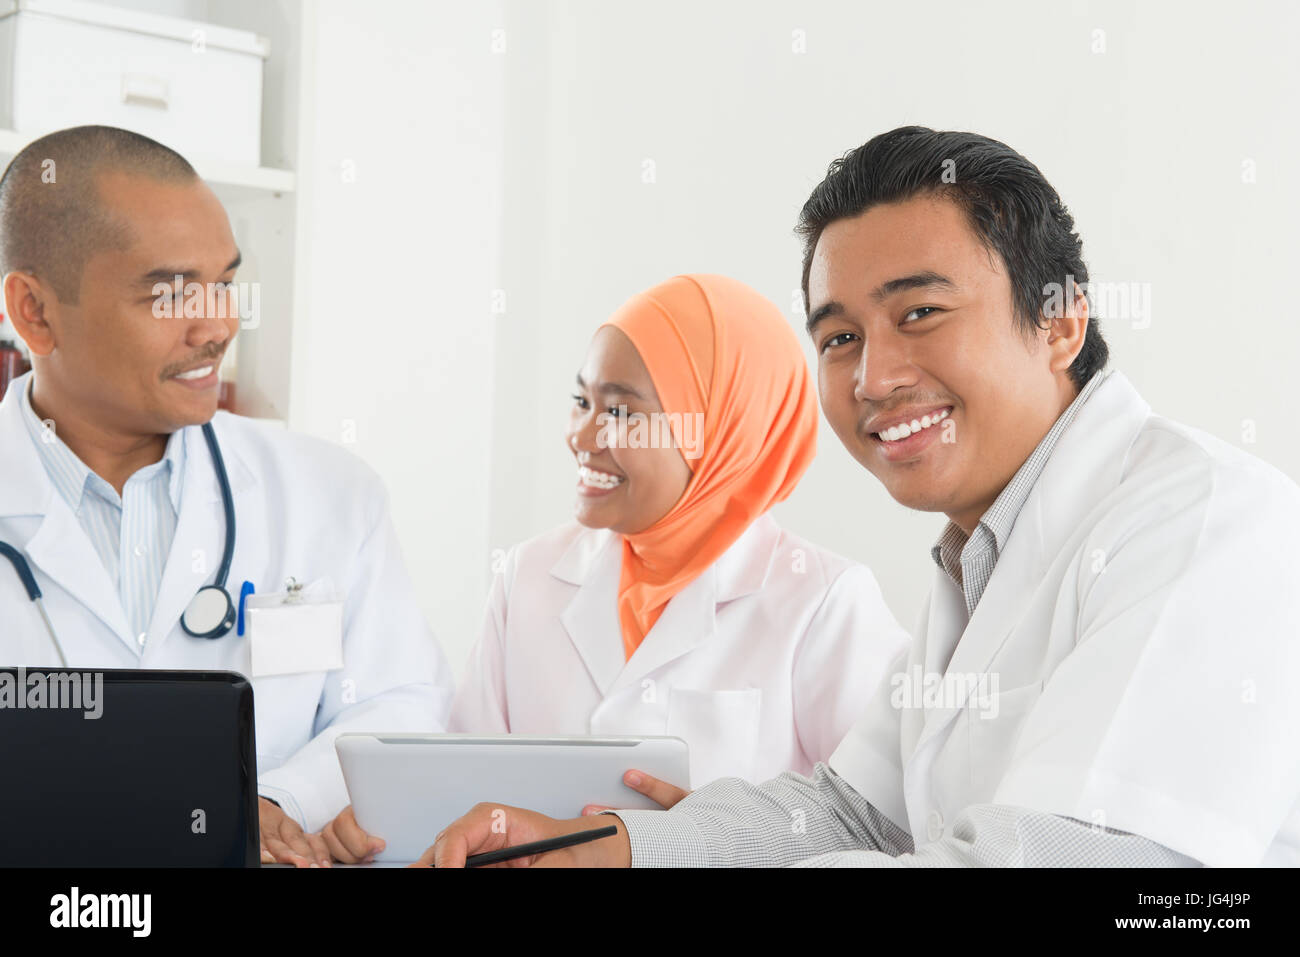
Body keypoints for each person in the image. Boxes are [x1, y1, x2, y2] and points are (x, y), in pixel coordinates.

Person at [420, 127, 1300, 868]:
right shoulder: (980, 554)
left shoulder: (1203, 521)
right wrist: (611, 848)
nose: (874, 378)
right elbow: (844, 811)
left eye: (919, 313)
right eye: (840, 337)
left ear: (1061, 320)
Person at [322, 273, 912, 863]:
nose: (582, 436)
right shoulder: (529, 575)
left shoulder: (825, 602)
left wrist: (710, 837)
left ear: (721, 430)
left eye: (622, 412)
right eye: (582, 402)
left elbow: (885, 829)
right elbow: (458, 786)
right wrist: (387, 822)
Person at [0, 125, 454, 868]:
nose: (218, 325)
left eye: (224, 282)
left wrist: (276, 800)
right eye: (171, 291)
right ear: (35, 313)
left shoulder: (330, 495)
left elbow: (402, 702)